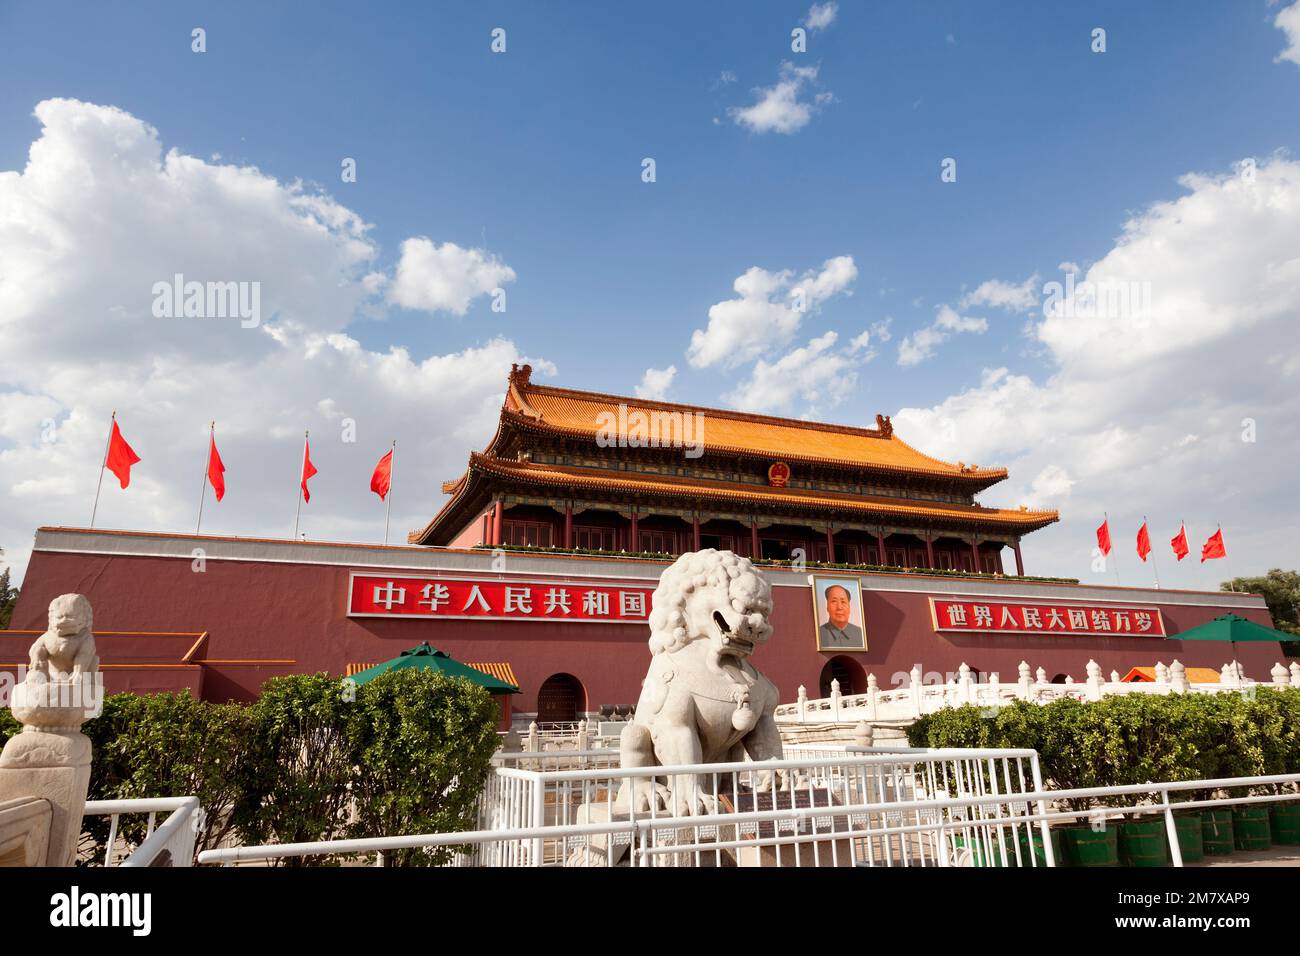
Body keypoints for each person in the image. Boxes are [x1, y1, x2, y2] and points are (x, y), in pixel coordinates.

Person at [819, 584, 863, 648]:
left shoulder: (860, 634)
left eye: (843, 602)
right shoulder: (819, 633)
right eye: (834, 601)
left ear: (849, 607)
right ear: (827, 607)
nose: (839, 607)